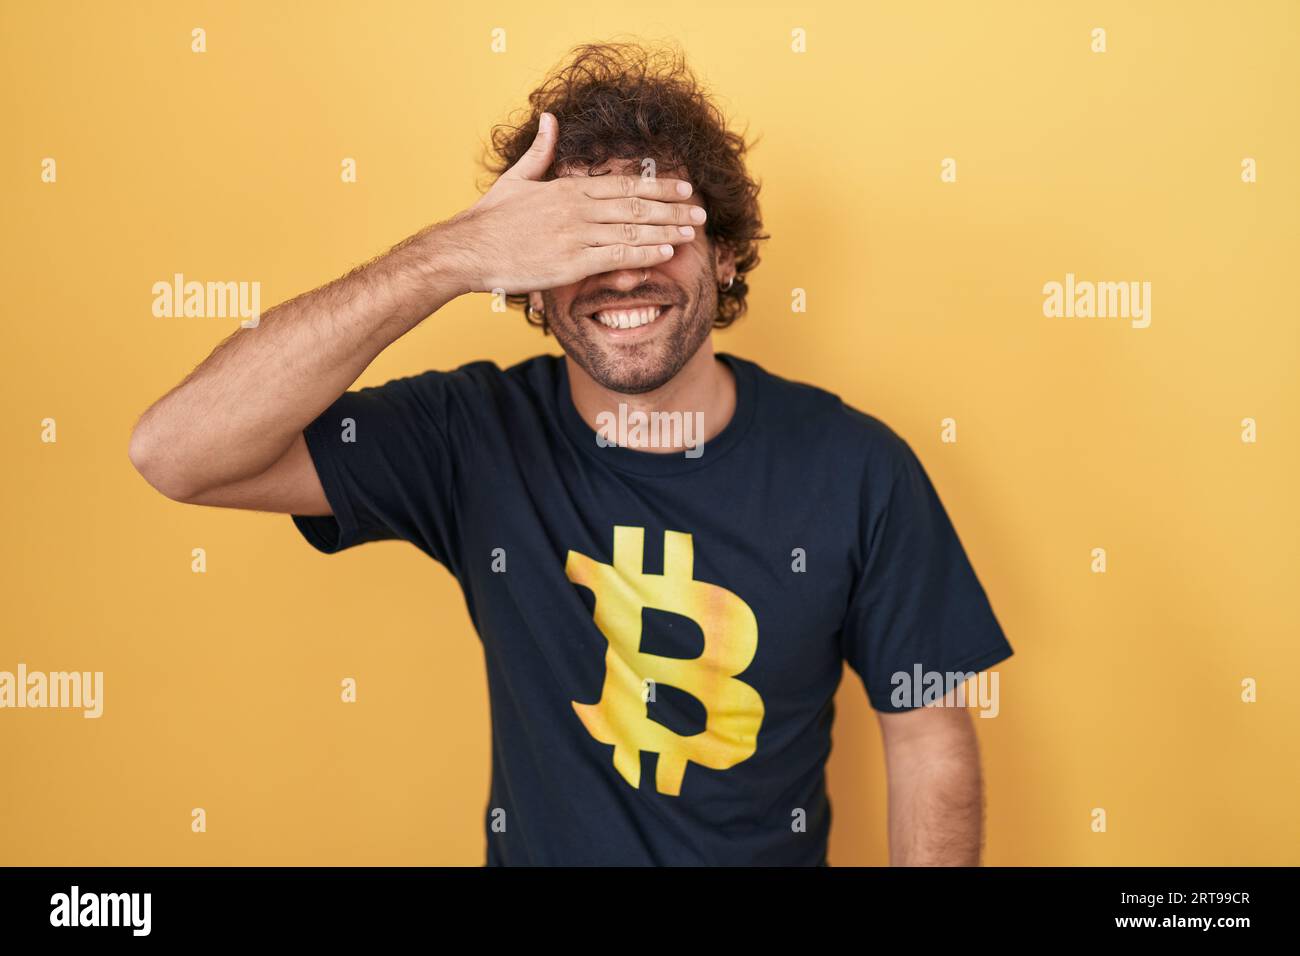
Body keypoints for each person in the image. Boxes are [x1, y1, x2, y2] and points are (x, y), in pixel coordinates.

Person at [129, 42, 1013, 865]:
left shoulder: (860, 467)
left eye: (655, 227)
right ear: (529, 279)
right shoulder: (468, 437)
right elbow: (176, 452)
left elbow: (926, 733)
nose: (623, 272)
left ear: (730, 254)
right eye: (582, 239)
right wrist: (448, 256)